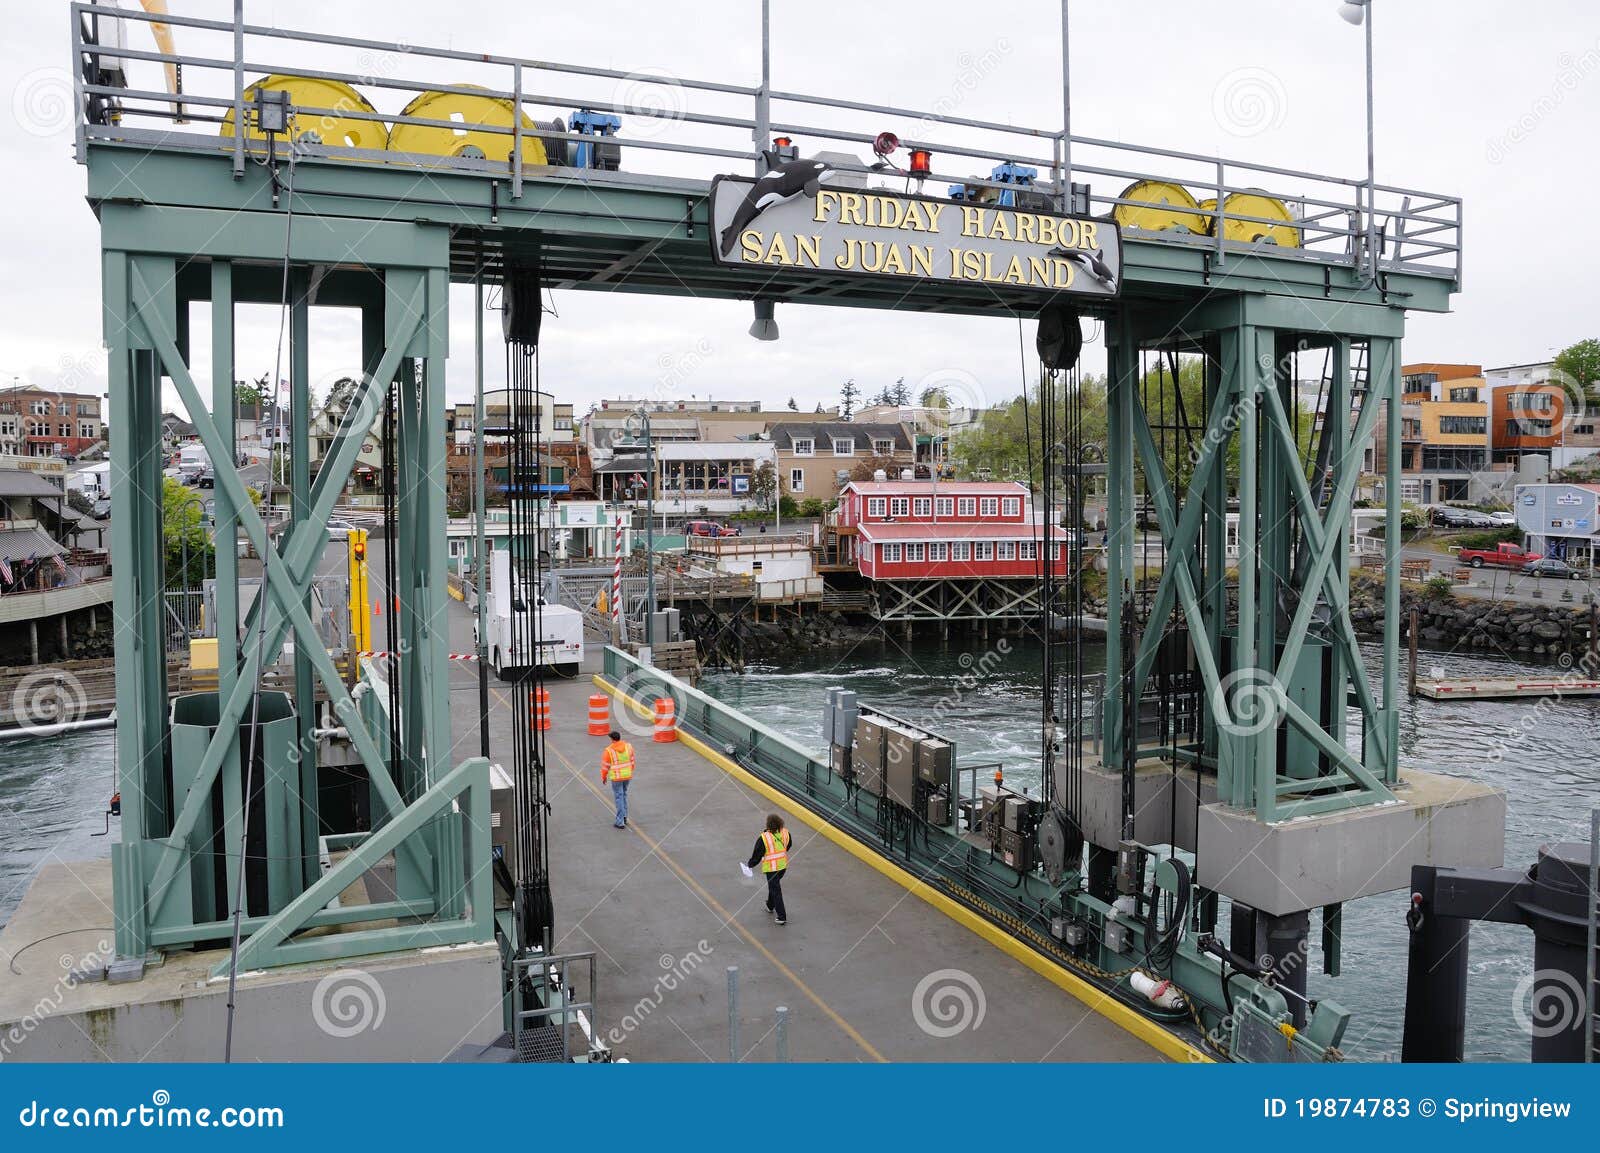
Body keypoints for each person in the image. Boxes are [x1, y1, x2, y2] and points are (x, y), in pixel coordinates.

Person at [745, 813, 791, 925]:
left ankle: (782, 916)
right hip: (783, 866)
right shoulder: (785, 832)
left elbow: (757, 854)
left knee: (776, 890)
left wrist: (750, 865)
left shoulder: (764, 837)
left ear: (768, 825)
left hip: (772, 868)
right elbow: (788, 846)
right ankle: (770, 905)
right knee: (774, 886)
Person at [600, 729, 635, 828]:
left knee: (619, 797)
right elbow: (632, 760)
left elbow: (605, 766)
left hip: (617, 778)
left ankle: (620, 822)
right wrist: (630, 771)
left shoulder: (609, 751)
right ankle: (624, 817)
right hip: (627, 776)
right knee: (623, 795)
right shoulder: (628, 747)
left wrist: (604, 777)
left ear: (612, 739)